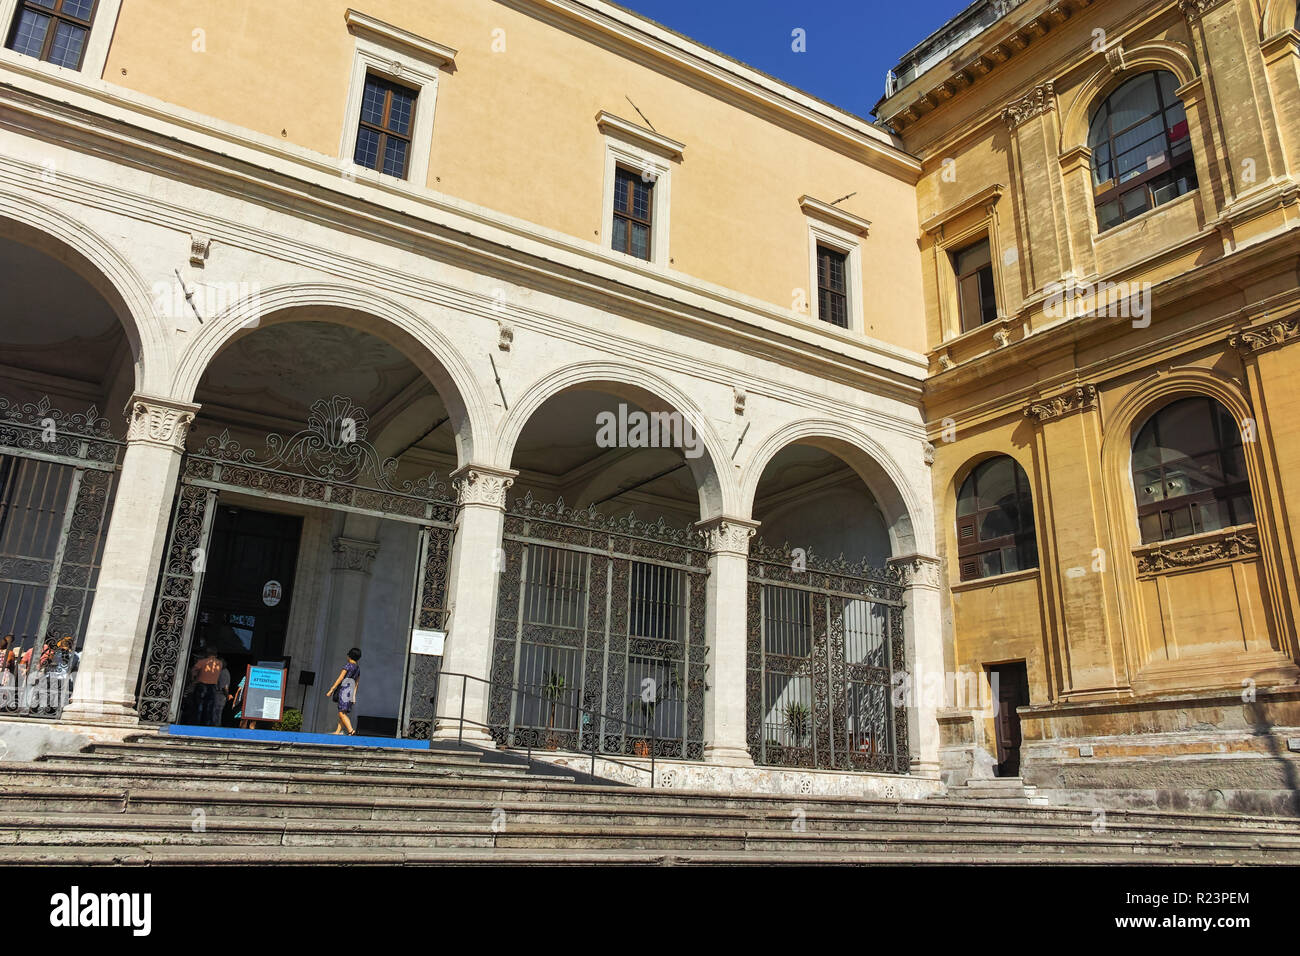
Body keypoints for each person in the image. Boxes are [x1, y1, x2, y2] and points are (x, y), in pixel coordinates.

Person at [324, 647, 361, 736]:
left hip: (344, 690)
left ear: (350, 656)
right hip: (350, 691)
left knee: (341, 713)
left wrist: (331, 690)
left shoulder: (348, 666)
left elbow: (340, 678)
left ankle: (351, 730)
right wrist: (354, 696)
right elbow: (356, 683)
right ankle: (337, 731)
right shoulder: (358, 668)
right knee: (343, 712)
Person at [189, 646, 225, 726]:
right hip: (212, 687)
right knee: (209, 707)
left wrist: (193, 679)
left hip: (202, 685)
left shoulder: (202, 661)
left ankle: (196, 724)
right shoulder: (220, 663)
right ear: (216, 654)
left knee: (198, 706)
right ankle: (206, 724)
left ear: (207, 653)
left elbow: (193, 671)